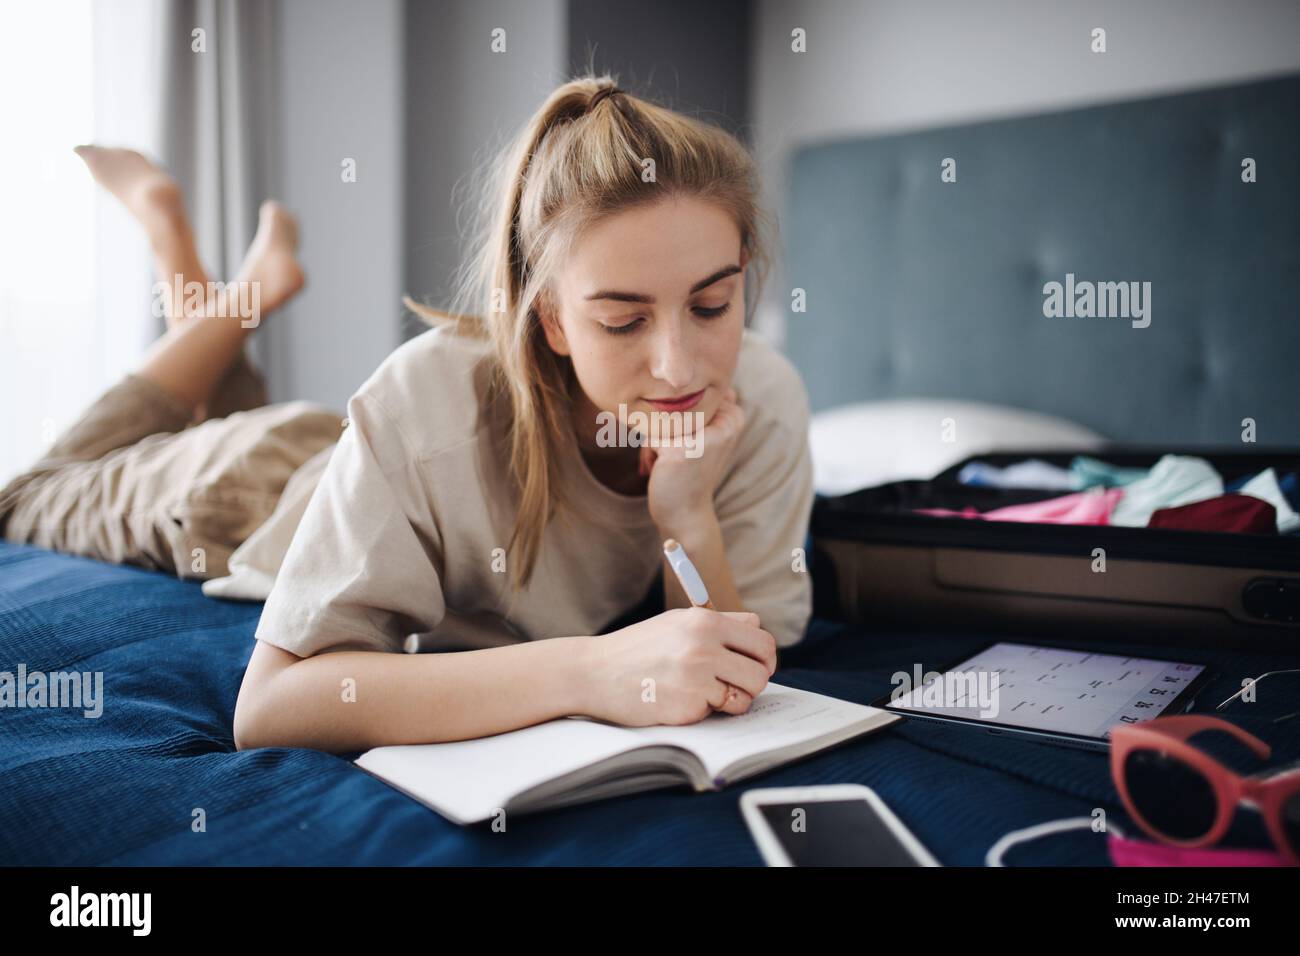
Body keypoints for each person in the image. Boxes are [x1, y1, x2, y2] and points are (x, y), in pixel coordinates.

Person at [1, 76, 816, 754]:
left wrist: (684, 514)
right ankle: (200, 256)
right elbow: (272, 706)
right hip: (250, 493)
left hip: (368, 470)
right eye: (623, 320)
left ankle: (223, 275)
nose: (679, 364)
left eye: (712, 303)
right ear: (552, 321)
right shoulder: (430, 399)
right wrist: (588, 671)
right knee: (30, 493)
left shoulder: (762, 398)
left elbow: (730, 666)